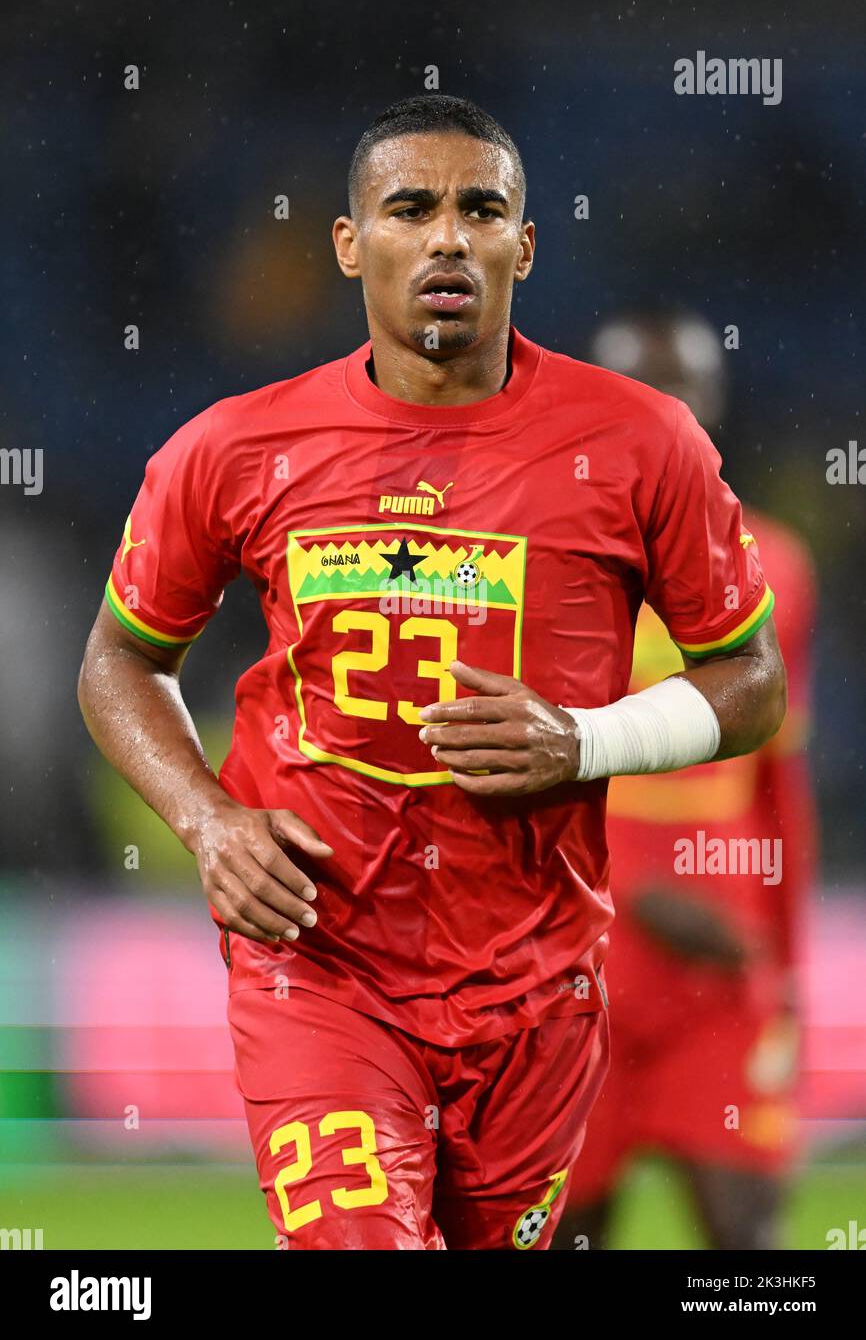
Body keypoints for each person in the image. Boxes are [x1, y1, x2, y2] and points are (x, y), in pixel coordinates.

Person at [77, 96, 786, 1251]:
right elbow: (120, 658)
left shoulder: (642, 443)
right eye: (411, 208)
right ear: (352, 244)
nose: (447, 237)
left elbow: (748, 676)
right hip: (321, 962)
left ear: (524, 245)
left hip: (535, 983)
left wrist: (584, 740)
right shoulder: (232, 448)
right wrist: (207, 821)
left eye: (480, 209)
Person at [554, 310, 817, 1251]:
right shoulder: (551, 566)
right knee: (570, 1235)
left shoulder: (776, 565)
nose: (672, 412)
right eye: (644, 391)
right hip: (581, 969)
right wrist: (633, 891)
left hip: (722, 973)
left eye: (690, 391)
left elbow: (777, 788)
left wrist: (786, 964)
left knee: (752, 1246)